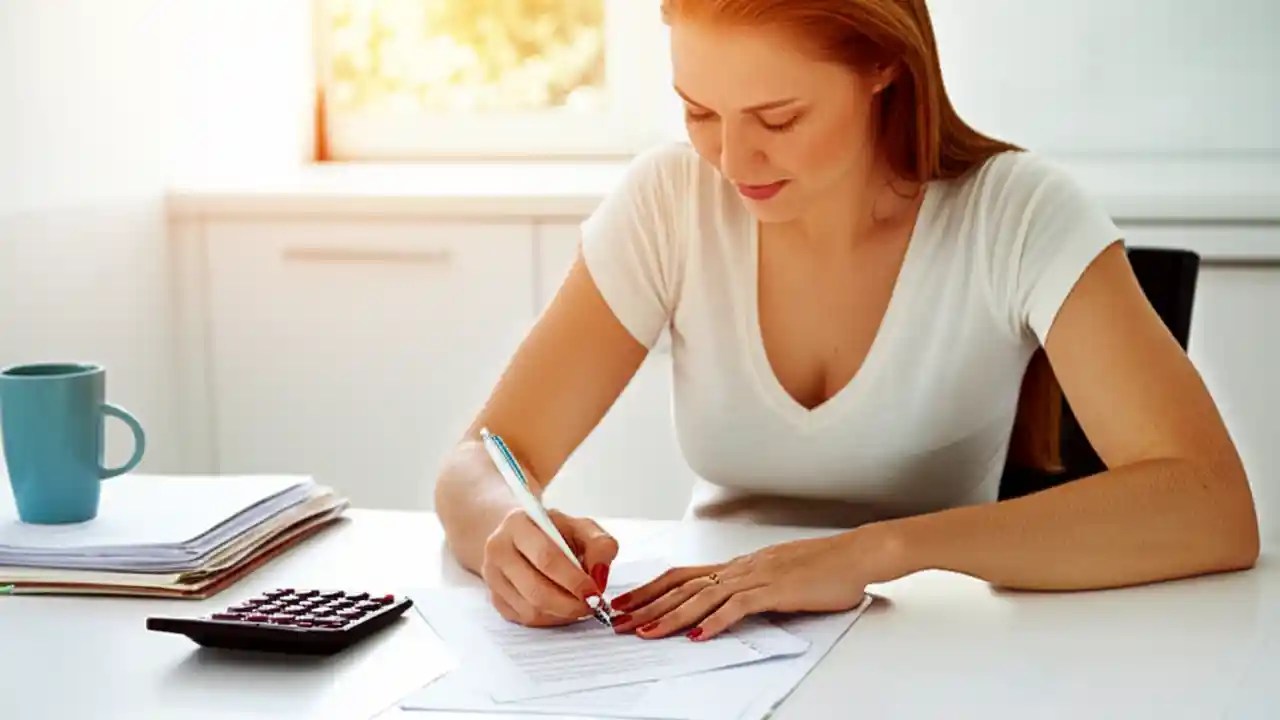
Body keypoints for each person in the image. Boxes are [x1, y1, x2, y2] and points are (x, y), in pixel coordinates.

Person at [434, 0, 1260, 642]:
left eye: (779, 118)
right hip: (710, 655)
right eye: (699, 112)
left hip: (937, 645)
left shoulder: (1014, 213)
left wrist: (878, 550)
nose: (730, 161)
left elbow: (1211, 505)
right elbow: (485, 456)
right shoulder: (669, 203)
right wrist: (505, 527)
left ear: (882, 69)